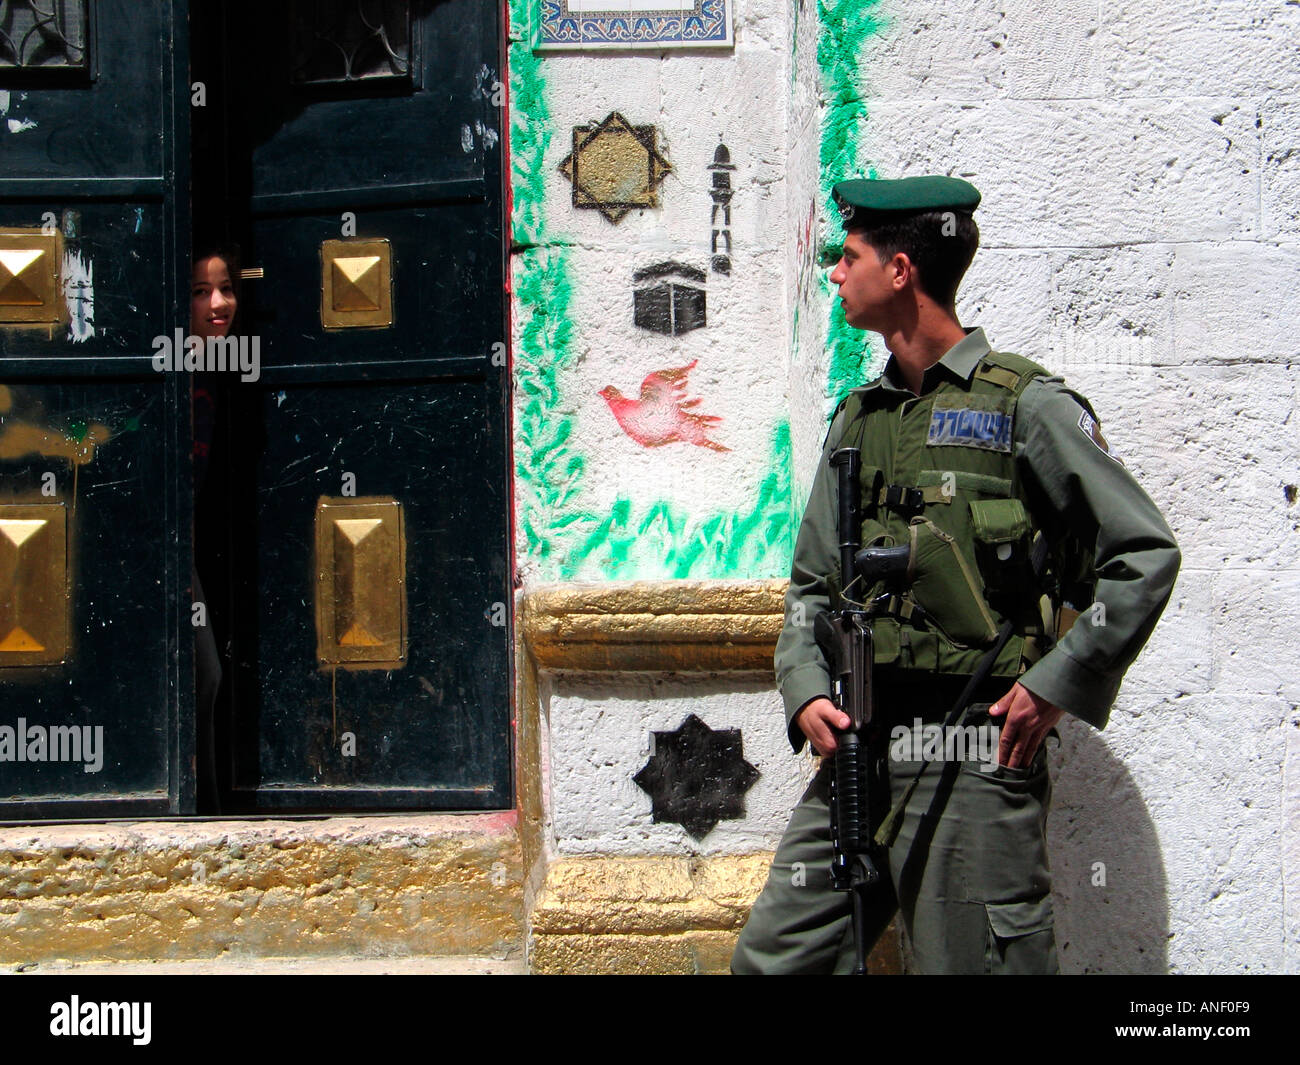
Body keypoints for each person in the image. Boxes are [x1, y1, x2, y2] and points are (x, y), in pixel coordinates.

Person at [731, 175, 1181, 974]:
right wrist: (803, 686)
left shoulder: (1025, 407)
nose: (836, 272)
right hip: (862, 744)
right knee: (775, 961)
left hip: (977, 750)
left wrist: (1054, 683)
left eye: (852, 255)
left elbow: (1142, 554)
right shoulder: (857, 419)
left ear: (900, 270)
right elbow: (811, 587)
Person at [190, 244, 239, 813]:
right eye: (201, 292)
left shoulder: (219, 371)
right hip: (169, 558)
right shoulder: (179, 374)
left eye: (225, 288)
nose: (218, 303)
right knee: (203, 674)